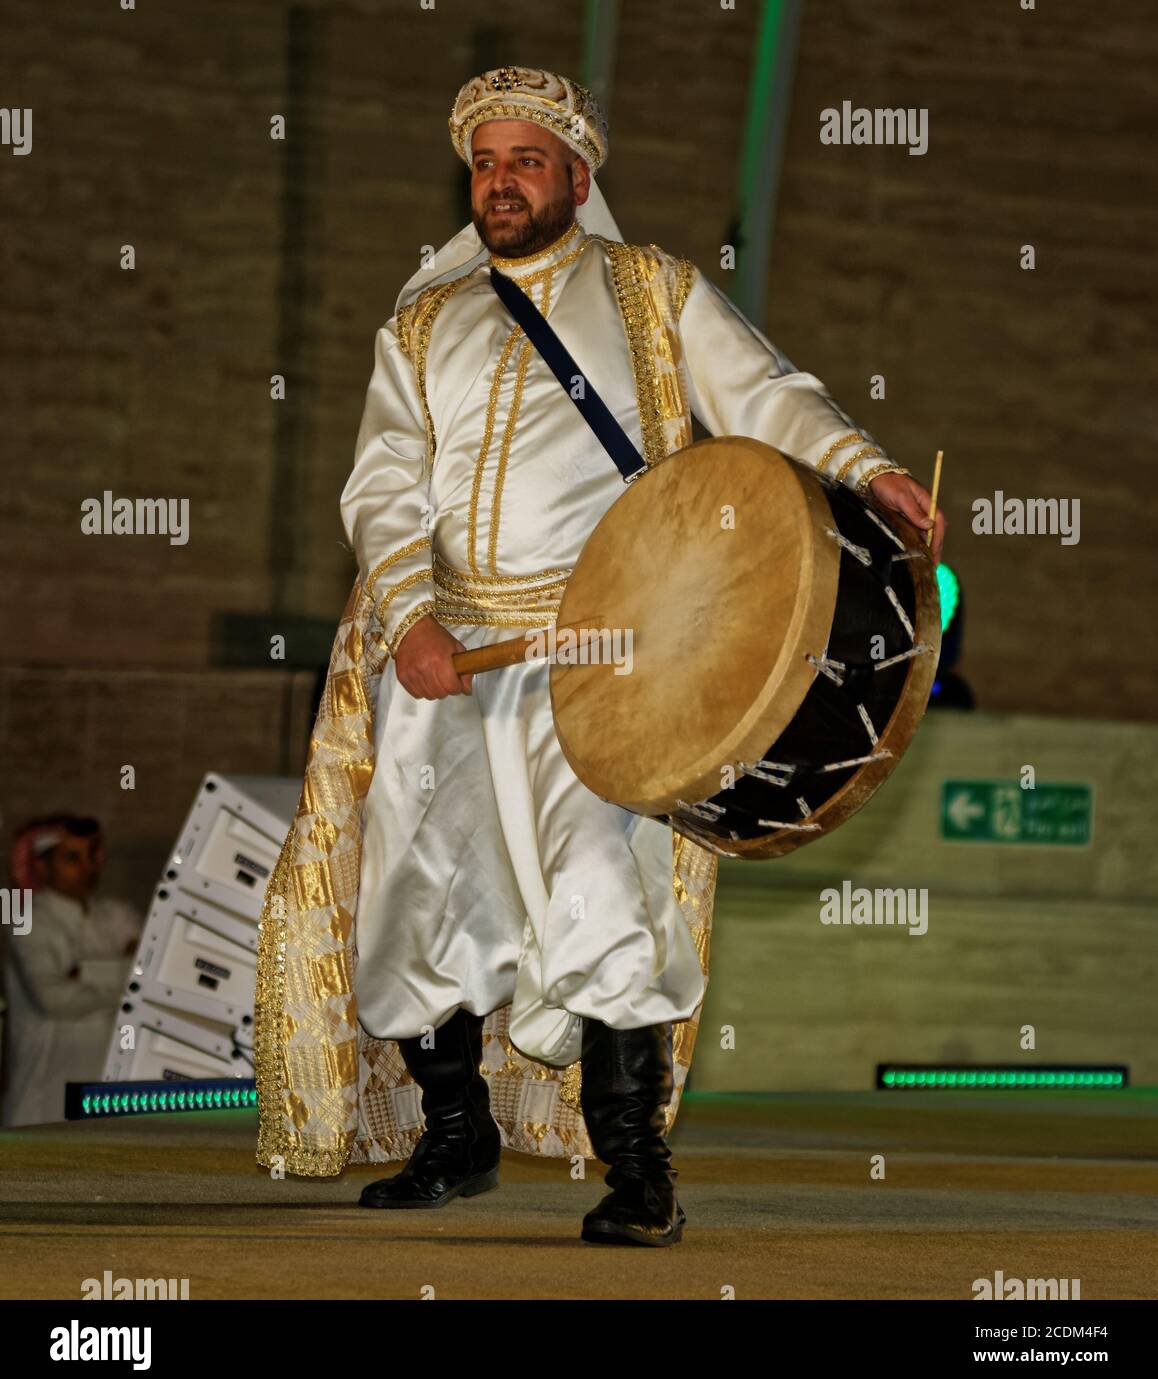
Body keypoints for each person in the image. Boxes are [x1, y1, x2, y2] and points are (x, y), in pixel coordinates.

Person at [253, 65, 945, 1246]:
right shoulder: (419, 324)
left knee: (595, 891)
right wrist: (411, 621)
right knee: (416, 894)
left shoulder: (650, 289)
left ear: (579, 176)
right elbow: (382, 484)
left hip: (602, 654)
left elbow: (764, 393)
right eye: (485, 164)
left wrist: (864, 467)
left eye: (526, 162)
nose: (501, 183)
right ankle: (454, 1135)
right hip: (452, 654)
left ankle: (638, 1170)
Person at [2, 816, 140, 1127]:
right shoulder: (26, 920)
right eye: (72, 858)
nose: (87, 867)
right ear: (41, 866)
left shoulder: (119, 915)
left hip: (107, 1100)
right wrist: (129, 984)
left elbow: (156, 979)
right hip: (41, 1106)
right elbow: (53, 999)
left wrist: (84, 973)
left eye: (91, 855)